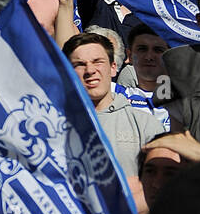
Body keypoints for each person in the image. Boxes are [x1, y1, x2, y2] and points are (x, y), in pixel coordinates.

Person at [64, 32, 167, 182]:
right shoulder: (55, 123)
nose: (90, 71)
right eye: (80, 64)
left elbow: (160, 186)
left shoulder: (145, 124)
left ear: (113, 67)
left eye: (98, 62)